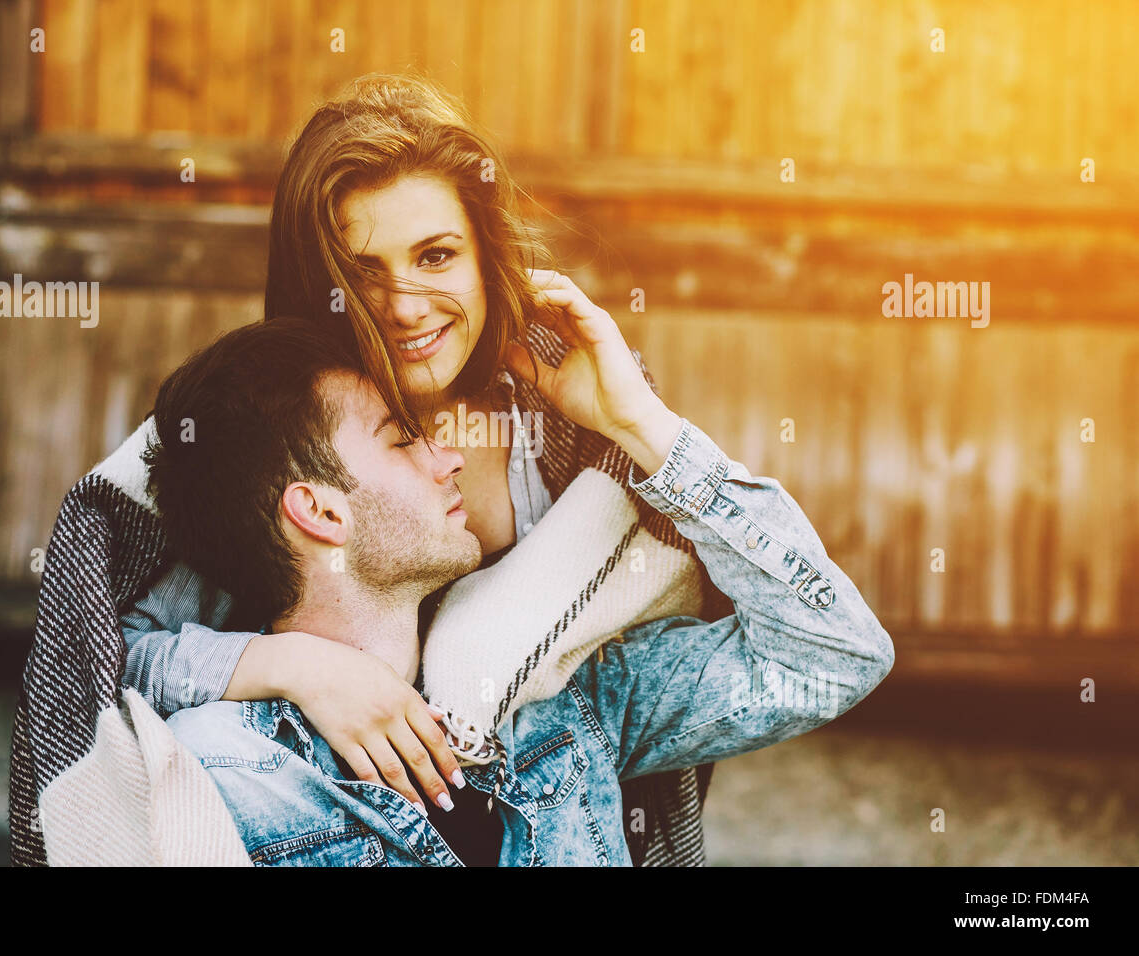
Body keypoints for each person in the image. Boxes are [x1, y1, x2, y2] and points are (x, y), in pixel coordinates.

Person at [123, 74, 746, 865]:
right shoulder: (269, 428)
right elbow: (112, 657)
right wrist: (297, 668)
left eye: (437, 256)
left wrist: (636, 423)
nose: (406, 306)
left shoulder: (572, 426)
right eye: (363, 272)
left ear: (487, 258)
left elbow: (722, 621)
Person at [143, 315, 895, 866]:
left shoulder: (564, 701)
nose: (448, 458)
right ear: (320, 511)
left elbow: (835, 655)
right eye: (403, 440)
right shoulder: (223, 769)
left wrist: (639, 425)